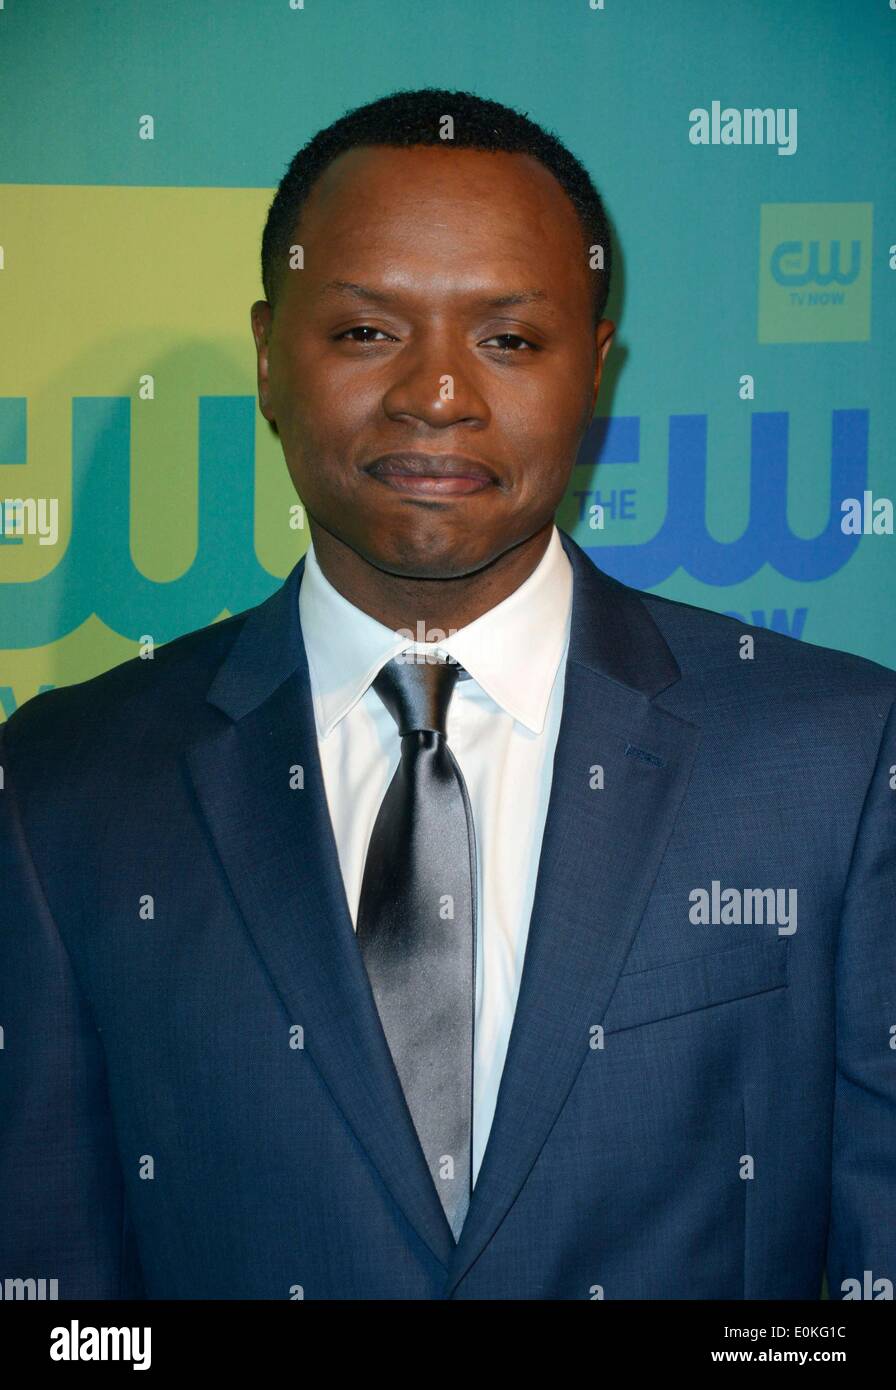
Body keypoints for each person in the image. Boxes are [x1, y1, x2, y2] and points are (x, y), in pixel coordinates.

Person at [1, 87, 893, 1301]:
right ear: (269, 356)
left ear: (595, 369)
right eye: (367, 332)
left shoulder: (836, 760)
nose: (435, 394)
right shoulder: (64, 785)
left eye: (509, 340)